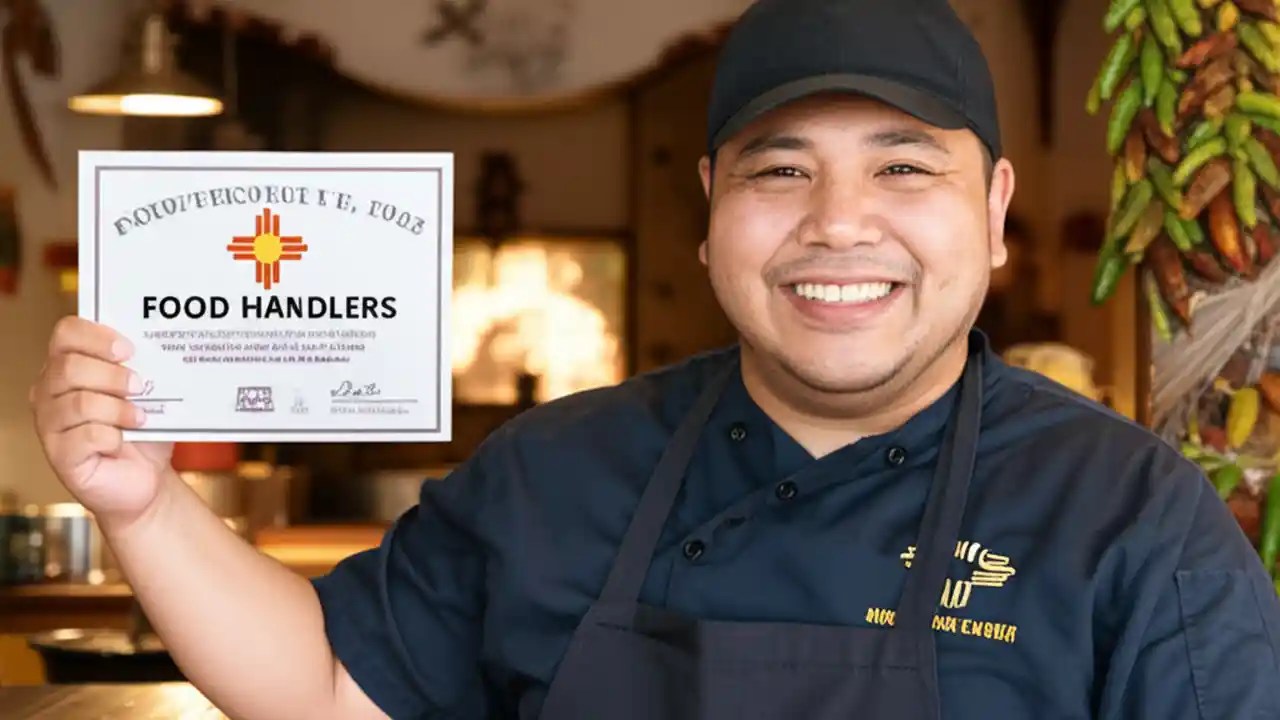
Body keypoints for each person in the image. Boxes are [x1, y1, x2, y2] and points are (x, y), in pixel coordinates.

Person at [27, 0, 1280, 718]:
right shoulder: (556, 470)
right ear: (710, 206)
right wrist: (143, 504)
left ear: (995, 211)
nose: (837, 222)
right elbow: (321, 691)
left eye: (903, 166)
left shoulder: (1127, 518)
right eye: (779, 170)